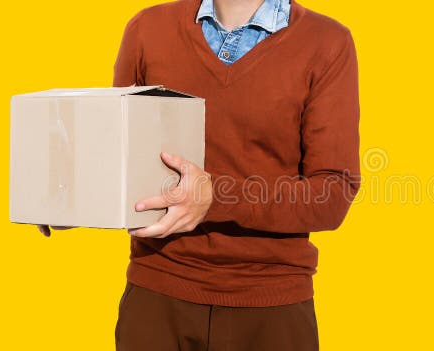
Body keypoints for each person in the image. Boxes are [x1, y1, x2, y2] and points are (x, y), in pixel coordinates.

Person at [39, 0, 359, 350]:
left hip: (272, 307)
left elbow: (332, 192)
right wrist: (78, 199)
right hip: (157, 296)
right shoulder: (147, 29)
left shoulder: (326, 42)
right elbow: (119, 154)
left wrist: (215, 197)